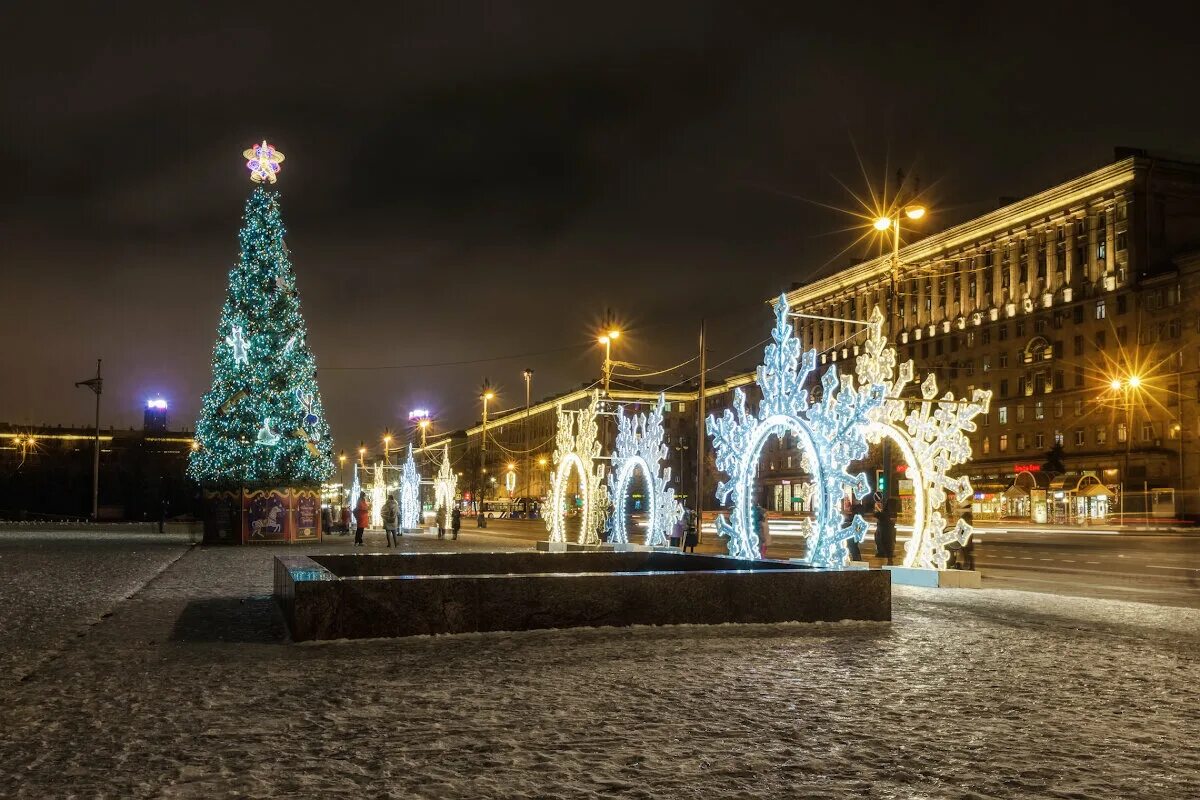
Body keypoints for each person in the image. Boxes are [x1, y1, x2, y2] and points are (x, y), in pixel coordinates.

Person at [874, 501, 896, 565]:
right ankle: (889, 560)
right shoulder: (890, 513)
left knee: (883, 544)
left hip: (883, 532)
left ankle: (886, 557)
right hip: (890, 532)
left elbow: (875, 515)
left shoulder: (883, 513)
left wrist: (877, 508)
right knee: (889, 545)